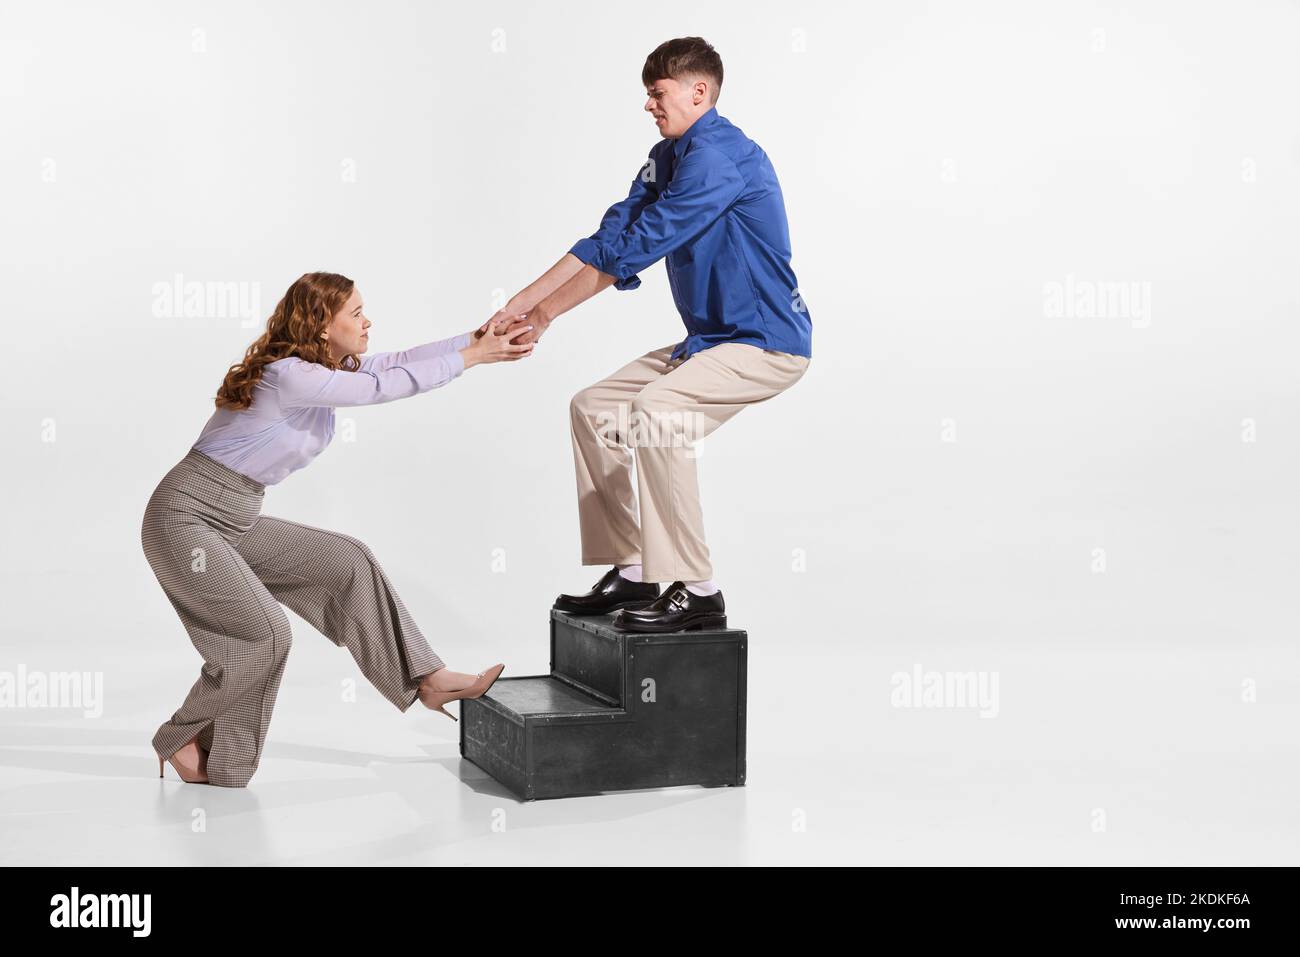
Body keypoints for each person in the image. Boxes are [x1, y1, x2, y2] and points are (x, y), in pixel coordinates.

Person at [143, 271, 530, 786]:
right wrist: (473, 359)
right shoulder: (289, 375)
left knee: (347, 560)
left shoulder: (319, 372)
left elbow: (393, 364)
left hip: (233, 515)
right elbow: (381, 387)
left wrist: (473, 340)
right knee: (265, 636)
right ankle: (179, 736)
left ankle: (425, 679)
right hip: (185, 516)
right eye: (356, 312)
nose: (368, 321)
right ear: (323, 325)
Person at [488, 37, 813, 633]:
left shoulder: (720, 159)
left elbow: (638, 248)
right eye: (647, 94)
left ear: (699, 91)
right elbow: (610, 236)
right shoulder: (668, 157)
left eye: (657, 93)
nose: (648, 105)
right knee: (595, 409)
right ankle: (635, 571)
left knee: (658, 412)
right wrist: (523, 302)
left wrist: (549, 314)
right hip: (711, 343)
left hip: (765, 343)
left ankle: (699, 589)